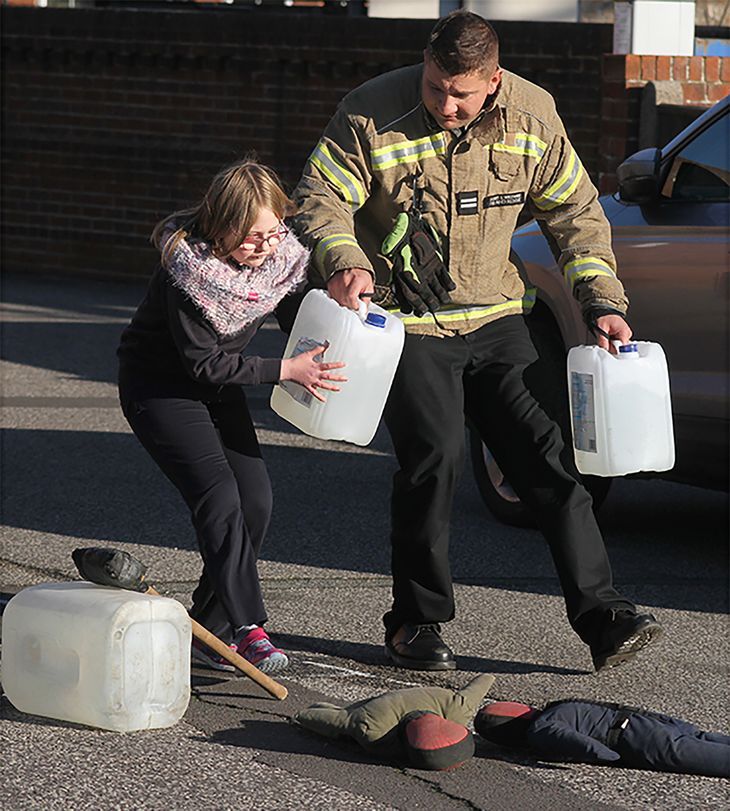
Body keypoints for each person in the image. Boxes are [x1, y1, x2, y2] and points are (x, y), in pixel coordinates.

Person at [292, 10, 662, 673]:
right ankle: (416, 622)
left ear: (494, 80)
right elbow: (320, 197)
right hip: (408, 325)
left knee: (550, 461)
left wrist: (601, 300)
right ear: (425, 63)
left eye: (461, 93)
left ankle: (603, 617)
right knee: (433, 460)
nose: (445, 104)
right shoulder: (371, 110)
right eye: (435, 87)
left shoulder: (533, 117)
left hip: (496, 317)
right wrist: (347, 259)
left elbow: (576, 213)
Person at [118, 159, 346, 674]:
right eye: (249, 237)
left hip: (219, 385)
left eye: (271, 233)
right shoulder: (188, 272)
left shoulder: (279, 257)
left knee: (256, 501)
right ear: (219, 226)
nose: (263, 247)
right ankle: (249, 628)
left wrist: (343, 316)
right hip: (160, 388)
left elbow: (296, 314)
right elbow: (203, 363)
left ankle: (209, 629)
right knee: (219, 495)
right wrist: (287, 369)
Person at [474, 699, 730, 777]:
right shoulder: (560, 706)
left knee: (697, 755)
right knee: (703, 738)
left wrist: (612, 758)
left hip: (631, 738)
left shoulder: (541, 727)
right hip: (646, 719)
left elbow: (581, 745)